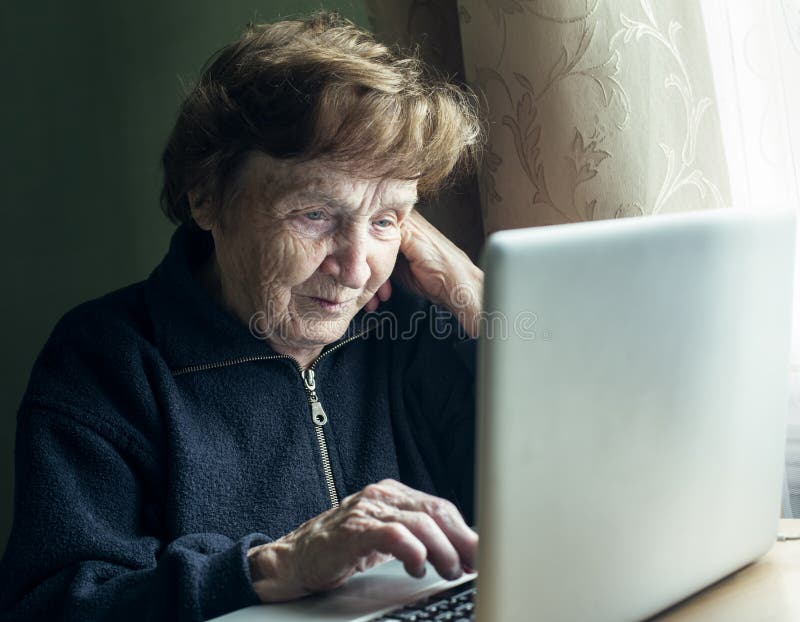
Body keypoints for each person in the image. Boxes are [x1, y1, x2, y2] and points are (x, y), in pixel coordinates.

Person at [0, 11, 484, 621]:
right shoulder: (106, 361)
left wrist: (477, 299)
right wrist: (273, 566)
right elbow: (49, 605)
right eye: (315, 215)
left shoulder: (417, 329)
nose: (357, 269)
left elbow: (585, 496)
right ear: (207, 197)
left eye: (387, 220)